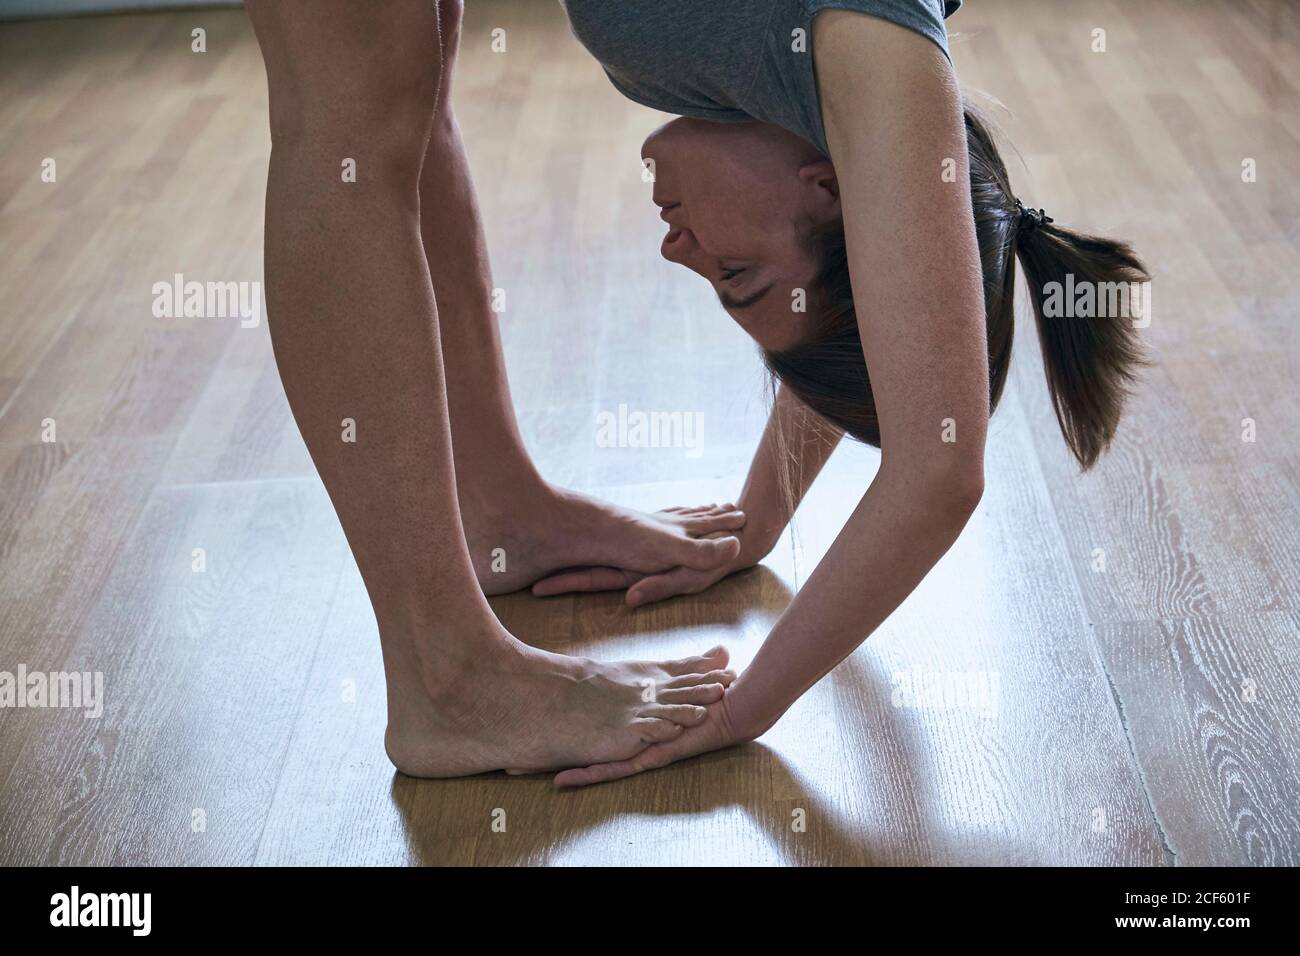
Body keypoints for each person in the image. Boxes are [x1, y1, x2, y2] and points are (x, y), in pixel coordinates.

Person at [243, 0, 1148, 785]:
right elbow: (941, 472)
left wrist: (754, 522)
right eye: (739, 274)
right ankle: (446, 679)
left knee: (398, 68)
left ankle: (499, 508)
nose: (681, 254)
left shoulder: (849, 72)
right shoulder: (880, 55)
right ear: (832, 192)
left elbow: (880, 297)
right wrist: (739, 711)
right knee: (354, 98)